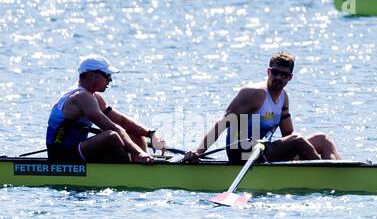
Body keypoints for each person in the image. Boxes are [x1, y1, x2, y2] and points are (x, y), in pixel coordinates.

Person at [182, 52, 341, 165]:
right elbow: (223, 123)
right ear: (268, 71)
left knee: (323, 139)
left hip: (263, 150)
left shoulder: (283, 97)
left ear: (290, 78)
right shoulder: (254, 93)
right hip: (243, 153)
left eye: (284, 75)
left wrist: (297, 153)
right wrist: (199, 152)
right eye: (275, 72)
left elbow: (288, 135)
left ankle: (341, 171)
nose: (278, 77)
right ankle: (327, 176)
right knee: (298, 141)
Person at [46, 56, 157, 163]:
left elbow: (122, 121)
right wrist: (139, 152)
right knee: (111, 136)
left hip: (77, 149)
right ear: (91, 75)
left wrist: (150, 134)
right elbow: (110, 127)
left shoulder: (94, 97)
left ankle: (139, 167)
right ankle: (129, 173)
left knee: (134, 133)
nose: (110, 80)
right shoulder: (81, 97)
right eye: (107, 75)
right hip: (62, 154)